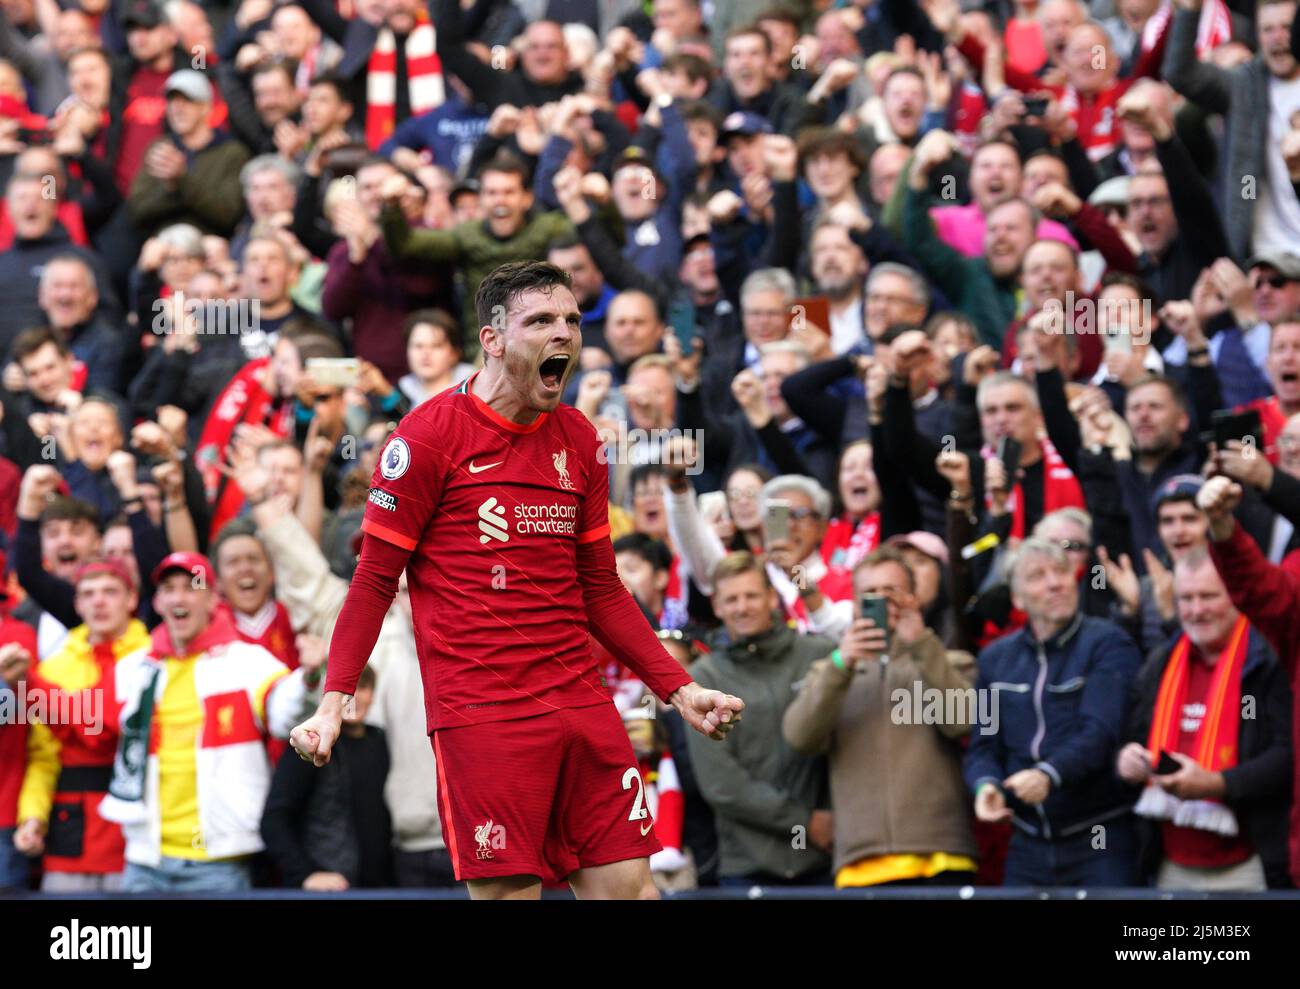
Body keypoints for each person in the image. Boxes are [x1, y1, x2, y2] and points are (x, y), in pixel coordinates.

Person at [289, 261, 744, 900]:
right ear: (494, 339)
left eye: (571, 321)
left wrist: (678, 688)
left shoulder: (581, 442)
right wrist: (334, 702)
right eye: (540, 321)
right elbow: (371, 583)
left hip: (582, 703)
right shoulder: (426, 437)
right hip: (485, 715)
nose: (563, 334)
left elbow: (602, 590)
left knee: (635, 892)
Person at [99, 551, 324, 893]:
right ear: (157, 602)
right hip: (145, 860)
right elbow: (85, 716)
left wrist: (309, 676)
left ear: (212, 598)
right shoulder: (134, 669)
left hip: (218, 863)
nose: (179, 597)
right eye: (169, 589)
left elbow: (283, 715)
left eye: (191, 587)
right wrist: (24, 689)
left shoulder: (246, 660)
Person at [783, 547, 980, 887]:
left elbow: (962, 722)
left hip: (941, 855)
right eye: (870, 593)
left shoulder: (952, 662)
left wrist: (921, 643)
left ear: (913, 599)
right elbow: (799, 738)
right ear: (855, 603)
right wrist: (841, 665)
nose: (882, 601)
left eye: (892, 591)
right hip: (861, 862)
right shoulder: (829, 671)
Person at [965, 537, 1143, 885]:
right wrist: (986, 787)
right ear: (1017, 599)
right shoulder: (994, 660)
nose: (1054, 582)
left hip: (1098, 835)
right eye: (1037, 575)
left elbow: (1101, 731)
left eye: (1061, 571)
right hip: (1027, 841)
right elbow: (982, 747)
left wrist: (1048, 774)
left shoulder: (1107, 642)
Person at [1118, 551, 1293, 890]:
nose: (1197, 610)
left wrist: (1217, 784)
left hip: (1250, 863)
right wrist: (1127, 760)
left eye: (1208, 596)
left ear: (1235, 595)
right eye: (1186, 598)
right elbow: (1133, 736)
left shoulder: (1268, 659)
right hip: (1169, 862)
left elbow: (1287, 757)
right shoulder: (1160, 662)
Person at [686, 552, 834, 886]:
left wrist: (830, 814)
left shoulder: (818, 655)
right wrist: (804, 822)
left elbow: (845, 743)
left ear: (772, 598)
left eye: (751, 595)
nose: (742, 607)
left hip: (826, 855)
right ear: (718, 607)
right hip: (747, 865)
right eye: (731, 599)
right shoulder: (702, 679)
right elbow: (721, 784)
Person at [13, 559, 150, 891]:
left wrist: (27, 683)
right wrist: (32, 818)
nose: (98, 602)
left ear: (132, 599)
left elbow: (101, 729)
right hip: (70, 832)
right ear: (77, 604)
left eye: (110, 592)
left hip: (137, 836)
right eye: (88, 594)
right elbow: (43, 759)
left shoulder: (153, 657)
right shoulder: (54, 669)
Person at [261, 664, 393, 890]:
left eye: (362, 688)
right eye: (346, 690)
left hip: (378, 887)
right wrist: (306, 874)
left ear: (373, 693)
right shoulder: (309, 745)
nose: (352, 698)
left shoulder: (380, 743)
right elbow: (274, 821)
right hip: (326, 890)